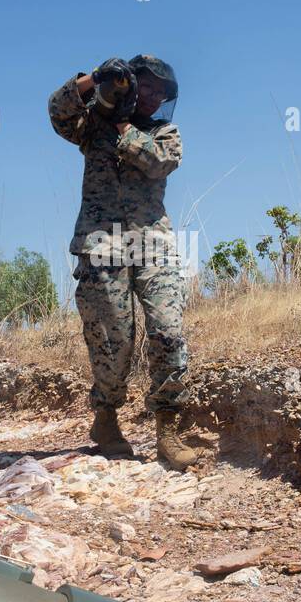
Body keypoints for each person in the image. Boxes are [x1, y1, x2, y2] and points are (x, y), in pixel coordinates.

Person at [47, 54, 197, 470]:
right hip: (101, 242)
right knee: (113, 339)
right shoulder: (91, 125)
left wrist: (123, 126)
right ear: (129, 85)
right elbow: (58, 112)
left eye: (160, 93)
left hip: (153, 242)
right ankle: (107, 418)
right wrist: (95, 80)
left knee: (168, 331)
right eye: (144, 86)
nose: (152, 97)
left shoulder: (165, 132)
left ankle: (168, 426)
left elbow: (158, 163)